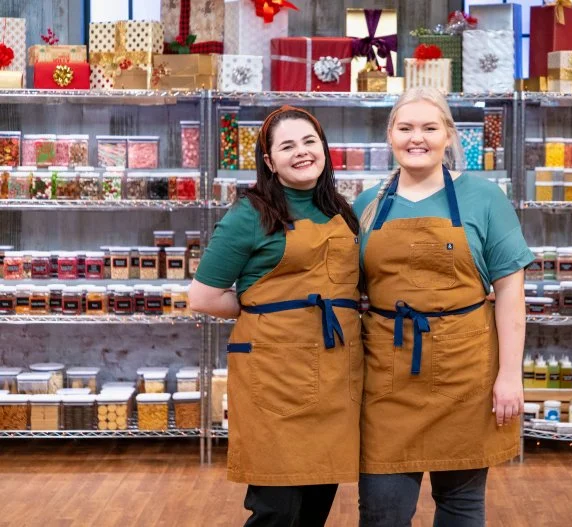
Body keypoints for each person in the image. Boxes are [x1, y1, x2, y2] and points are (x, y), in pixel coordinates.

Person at [352, 87, 533, 526]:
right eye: (406, 127)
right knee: (382, 512)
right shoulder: (366, 205)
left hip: (464, 371)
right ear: (390, 136)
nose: (418, 138)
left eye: (430, 128)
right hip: (388, 377)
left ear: (449, 136)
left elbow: (511, 292)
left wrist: (510, 376)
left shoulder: (484, 198)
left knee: (461, 507)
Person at [189, 106, 363, 527]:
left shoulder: (341, 210)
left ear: (325, 149)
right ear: (269, 161)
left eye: (310, 142)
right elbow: (203, 296)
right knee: (276, 511)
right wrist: (264, 311)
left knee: (316, 502)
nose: (302, 152)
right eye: (287, 146)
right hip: (274, 378)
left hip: (334, 375)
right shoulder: (250, 214)